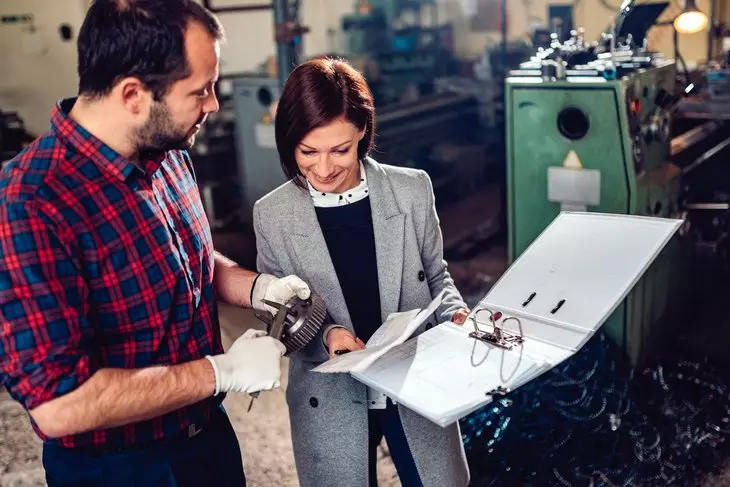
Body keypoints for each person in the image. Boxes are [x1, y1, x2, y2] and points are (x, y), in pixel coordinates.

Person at [0, 1, 310, 485]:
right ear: (133, 95)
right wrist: (220, 372)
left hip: (206, 437)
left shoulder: (165, 152)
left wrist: (255, 288)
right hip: (117, 468)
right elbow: (59, 405)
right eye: (200, 90)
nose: (213, 104)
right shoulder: (31, 201)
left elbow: (188, 256)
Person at [253, 56, 471, 487]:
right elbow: (277, 315)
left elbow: (438, 279)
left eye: (340, 149)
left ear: (363, 134)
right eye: (307, 152)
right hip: (329, 395)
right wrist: (327, 333)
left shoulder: (411, 190)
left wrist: (458, 317)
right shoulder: (272, 214)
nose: (324, 168)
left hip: (414, 378)